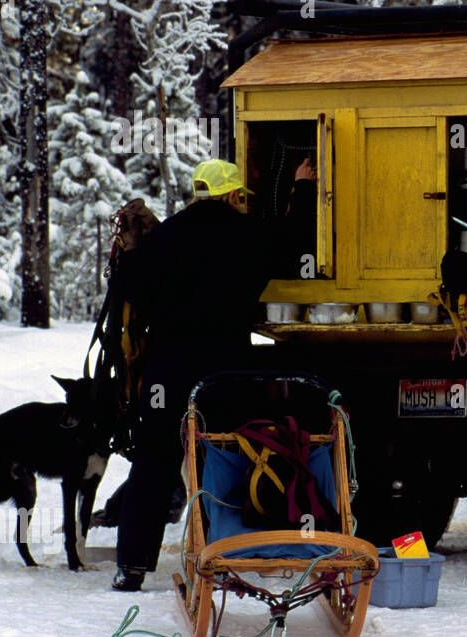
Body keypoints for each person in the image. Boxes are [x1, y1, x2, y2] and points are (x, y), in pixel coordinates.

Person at [111, 158, 316, 591]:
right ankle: (236, 545)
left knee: (154, 459)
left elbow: (128, 285)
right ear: (234, 195)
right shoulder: (249, 234)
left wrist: (131, 250)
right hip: (225, 371)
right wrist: (301, 189)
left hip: (169, 367)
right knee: (233, 452)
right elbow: (294, 241)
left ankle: (131, 564)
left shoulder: (167, 234)